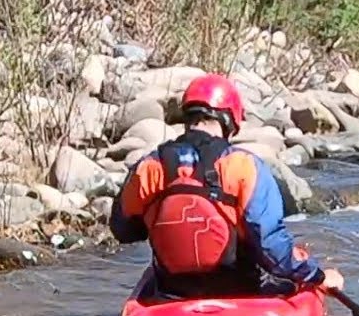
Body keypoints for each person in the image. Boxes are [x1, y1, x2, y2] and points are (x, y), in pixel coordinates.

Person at [110, 73, 344, 299]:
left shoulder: (149, 167)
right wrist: (316, 275)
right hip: (240, 293)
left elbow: (123, 230)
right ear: (230, 120)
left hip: (173, 293)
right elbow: (270, 244)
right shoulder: (245, 166)